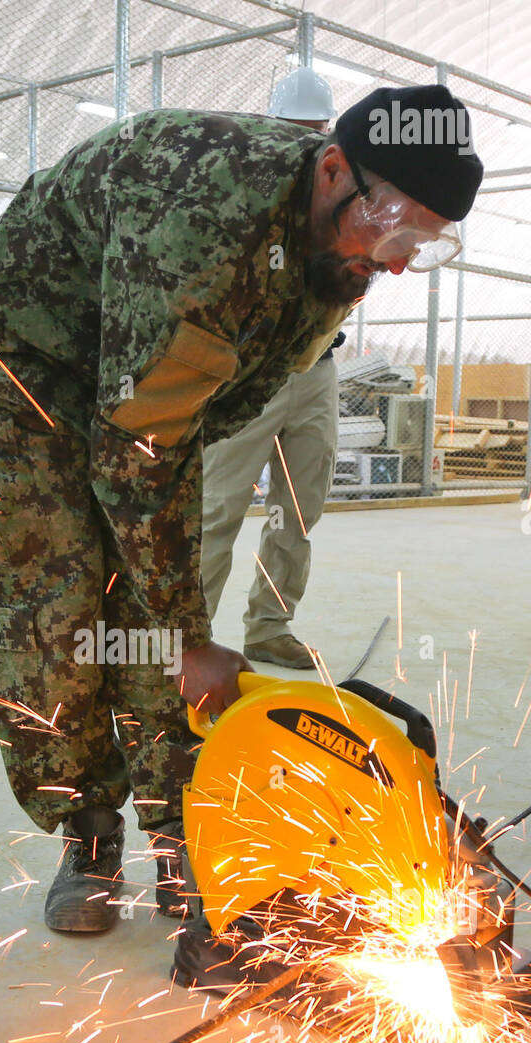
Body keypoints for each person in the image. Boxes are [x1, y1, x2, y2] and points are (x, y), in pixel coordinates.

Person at [0, 85, 483, 935]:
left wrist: (168, 619)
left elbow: (197, 416)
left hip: (133, 374)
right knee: (56, 603)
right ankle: (86, 834)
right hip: (18, 362)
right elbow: (135, 454)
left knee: (143, 598)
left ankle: (175, 826)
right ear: (332, 170)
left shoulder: (340, 252)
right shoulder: (198, 214)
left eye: (424, 242)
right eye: (392, 226)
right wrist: (190, 637)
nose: (401, 259)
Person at [200, 67, 341, 670]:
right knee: (216, 505)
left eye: (314, 134)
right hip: (248, 368)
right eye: (293, 131)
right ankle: (184, 634)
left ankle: (270, 624)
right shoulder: (242, 191)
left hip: (316, 369)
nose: (302, 145)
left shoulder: (339, 195)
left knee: (299, 503)